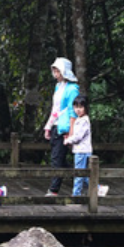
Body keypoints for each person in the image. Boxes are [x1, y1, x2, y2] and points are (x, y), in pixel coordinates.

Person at [42, 58, 80, 196]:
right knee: (61, 161)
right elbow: (55, 109)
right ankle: (93, 183)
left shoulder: (72, 89)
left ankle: (54, 190)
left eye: (58, 71)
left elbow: (72, 112)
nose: (56, 74)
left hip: (65, 128)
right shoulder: (58, 87)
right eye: (54, 71)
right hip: (56, 126)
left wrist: (71, 132)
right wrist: (48, 126)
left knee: (57, 159)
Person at [63, 95, 92, 197]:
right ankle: (98, 189)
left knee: (79, 174)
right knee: (84, 174)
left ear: (85, 108)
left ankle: (76, 196)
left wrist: (68, 141)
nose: (78, 110)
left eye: (81, 107)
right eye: (76, 107)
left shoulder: (83, 120)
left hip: (81, 151)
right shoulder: (81, 119)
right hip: (82, 150)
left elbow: (78, 137)